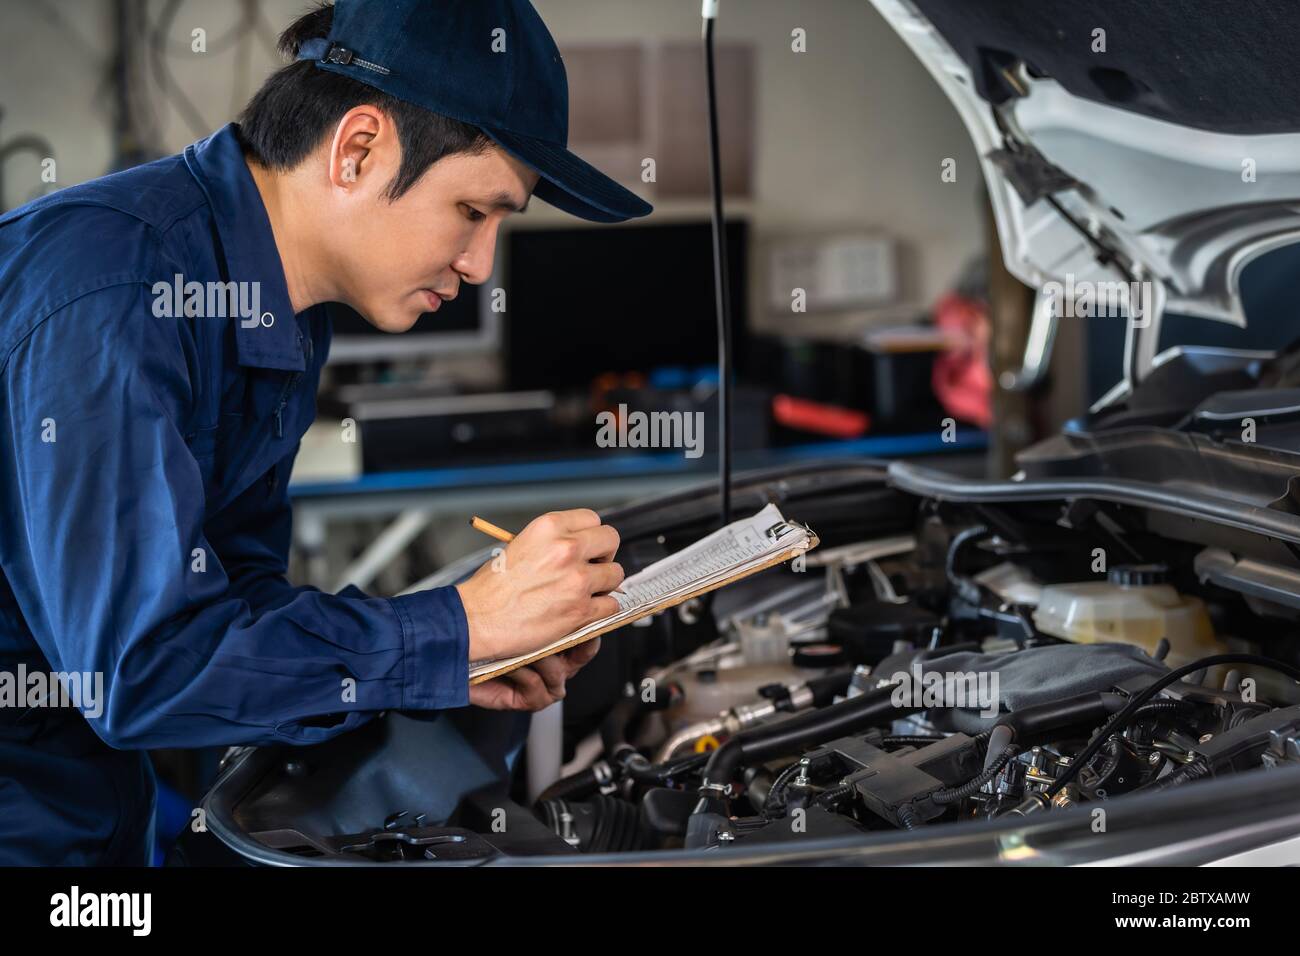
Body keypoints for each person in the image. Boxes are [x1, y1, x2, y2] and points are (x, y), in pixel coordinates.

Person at [0, 0, 651, 865]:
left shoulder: (285, 314)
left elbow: (231, 604)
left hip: (81, 808)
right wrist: (455, 627)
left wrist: (453, 656)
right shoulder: (114, 292)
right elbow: (141, 671)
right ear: (358, 149)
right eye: (472, 210)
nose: (480, 265)